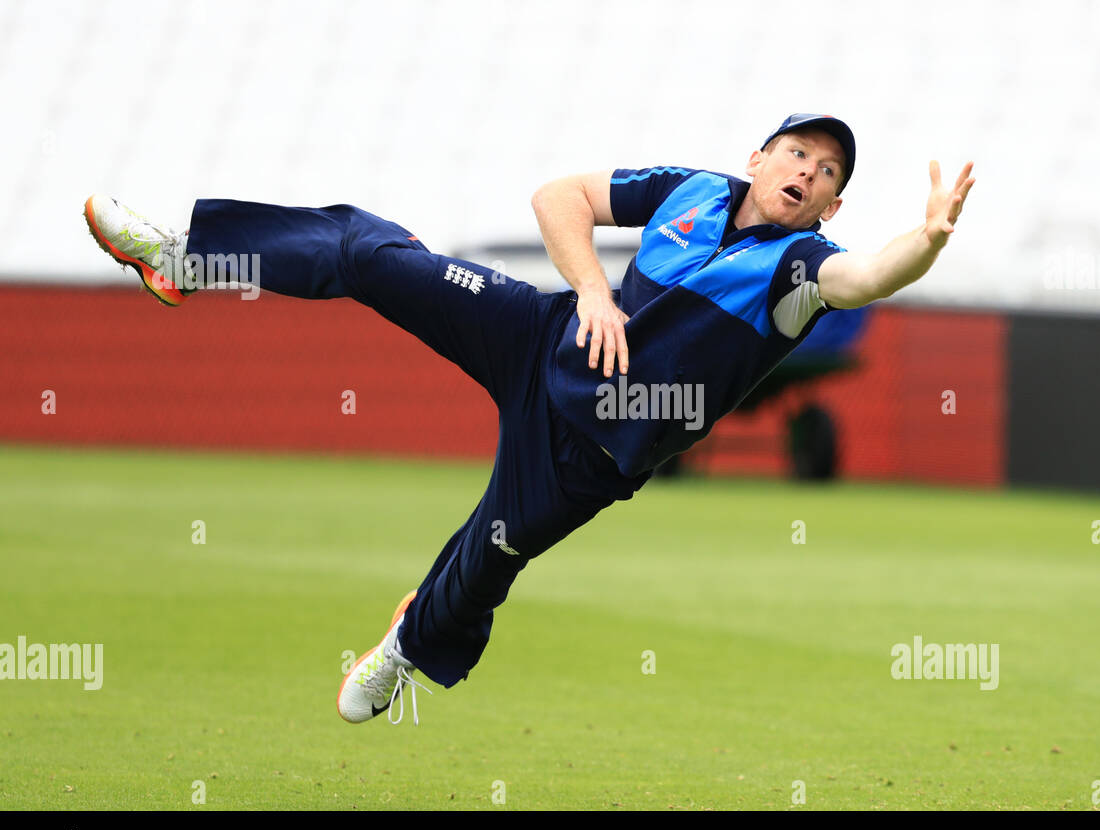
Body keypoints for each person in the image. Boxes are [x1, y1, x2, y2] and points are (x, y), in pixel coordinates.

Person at [83, 113, 974, 725]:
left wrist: (924, 244)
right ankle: (184, 256)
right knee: (369, 250)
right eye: (797, 154)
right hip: (540, 338)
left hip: (589, 454)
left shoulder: (799, 272)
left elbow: (867, 280)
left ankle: (406, 643)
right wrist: (592, 290)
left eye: (827, 174)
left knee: (481, 566)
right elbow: (561, 196)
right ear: (758, 158)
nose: (807, 173)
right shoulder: (689, 189)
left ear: (832, 208)